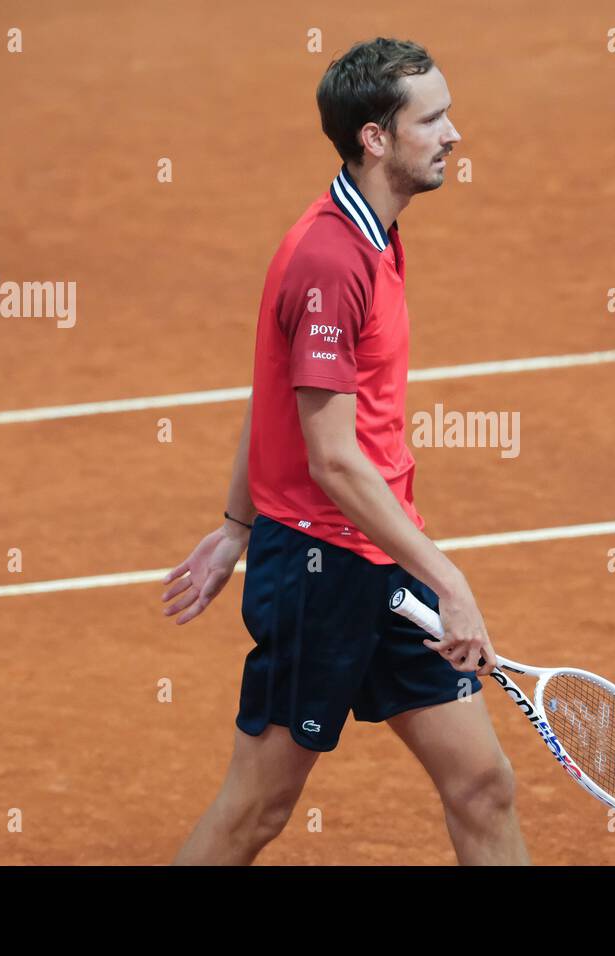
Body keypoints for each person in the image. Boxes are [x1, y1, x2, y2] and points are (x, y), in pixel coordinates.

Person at [161, 37, 529, 866]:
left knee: (483, 784)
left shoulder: (372, 236)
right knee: (255, 811)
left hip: (378, 554)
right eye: (431, 119)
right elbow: (330, 459)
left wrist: (233, 526)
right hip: (322, 575)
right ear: (375, 137)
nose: (453, 135)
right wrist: (449, 578)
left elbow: (272, 393)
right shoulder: (331, 260)